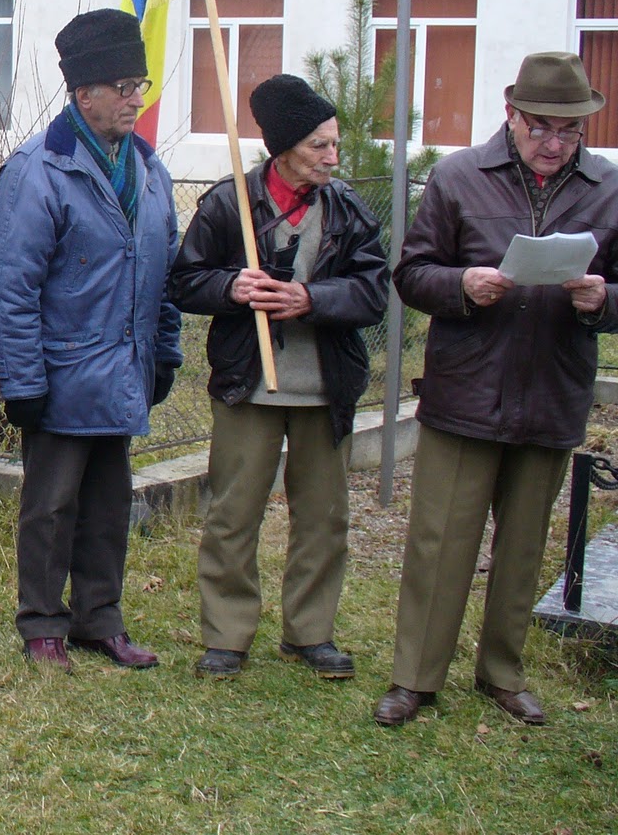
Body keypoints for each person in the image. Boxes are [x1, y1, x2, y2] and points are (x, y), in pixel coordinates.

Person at [374, 51, 618, 727]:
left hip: (552, 395)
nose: (553, 143)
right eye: (540, 127)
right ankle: (415, 678)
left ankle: (502, 674)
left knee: (524, 547)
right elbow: (412, 272)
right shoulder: (457, 178)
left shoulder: (609, 188)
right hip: (466, 395)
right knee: (438, 542)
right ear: (510, 116)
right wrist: (462, 286)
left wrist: (602, 297)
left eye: (568, 131)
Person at [170, 75, 389, 681]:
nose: (333, 157)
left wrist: (311, 298)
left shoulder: (346, 210)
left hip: (324, 391)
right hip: (250, 386)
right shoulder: (228, 205)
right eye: (320, 145)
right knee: (233, 514)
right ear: (285, 147)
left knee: (324, 517)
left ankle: (310, 634)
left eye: (334, 144)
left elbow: (374, 291)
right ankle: (227, 636)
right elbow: (184, 281)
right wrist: (231, 287)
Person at [0, 9, 182, 672]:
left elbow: (165, 275)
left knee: (107, 506)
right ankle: (42, 623)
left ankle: (101, 619)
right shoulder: (40, 170)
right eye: (124, 86)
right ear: (83, 93)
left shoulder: (151, 173)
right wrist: (23, 382)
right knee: (50, 510)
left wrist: (166, 354)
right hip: (61, 377)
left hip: (123, 372)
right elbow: (11, 285)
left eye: (141, 85)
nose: (135, 99)